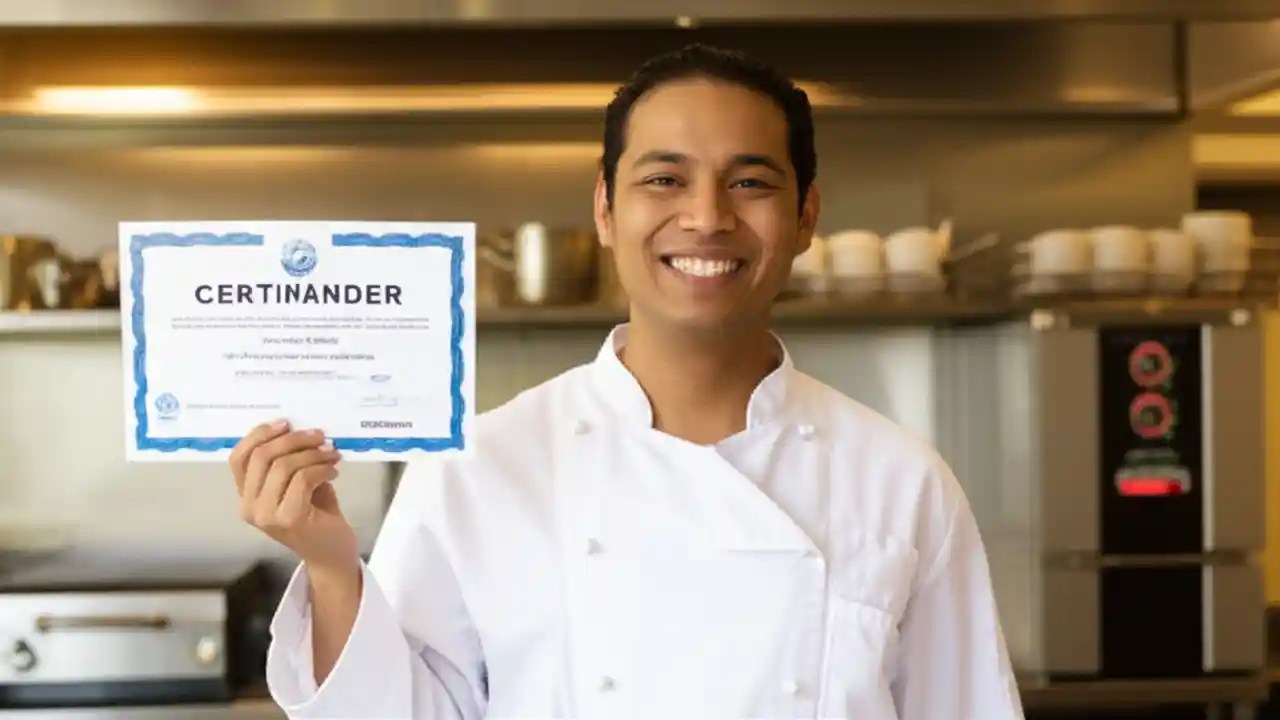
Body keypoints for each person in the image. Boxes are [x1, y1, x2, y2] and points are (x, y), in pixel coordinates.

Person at [231, 43, 1025, 719]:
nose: (707, 217)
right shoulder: (479, 468)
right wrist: (331, 566)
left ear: (806, 217)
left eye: (750, 182)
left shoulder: (900, 481)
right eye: (665, 180)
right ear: (606, 211)